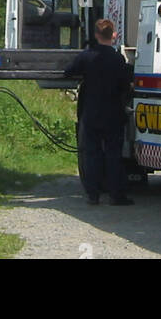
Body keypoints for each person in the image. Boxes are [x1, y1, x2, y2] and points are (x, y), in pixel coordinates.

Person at [66, 18, 134, 205]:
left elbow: (68, 72)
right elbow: (125, 84)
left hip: (92, 112)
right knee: (113, 154)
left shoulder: (86, 57)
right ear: (114, 35)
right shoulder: (117, 59)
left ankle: (93, 194)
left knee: (92, 154)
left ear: (96, 35)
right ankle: (116, 195)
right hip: (113, 112)